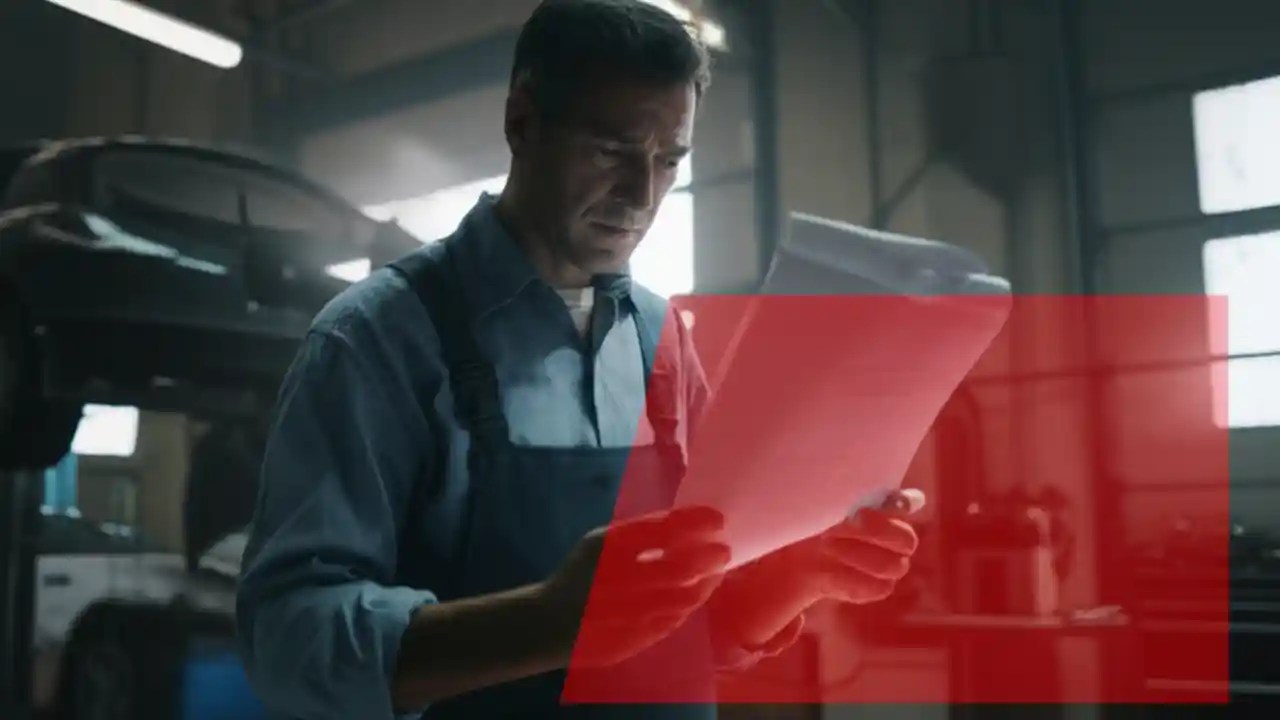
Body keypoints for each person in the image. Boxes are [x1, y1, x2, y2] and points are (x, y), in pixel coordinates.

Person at [235, 1, 923, 718]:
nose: (643, 194)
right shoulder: (378, 340)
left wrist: (796, 572)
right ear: (522, 119)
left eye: (668, 161)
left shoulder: (663, 337)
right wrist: (548, 622)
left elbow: (691, 628)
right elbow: (289, 642)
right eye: (611, 150)